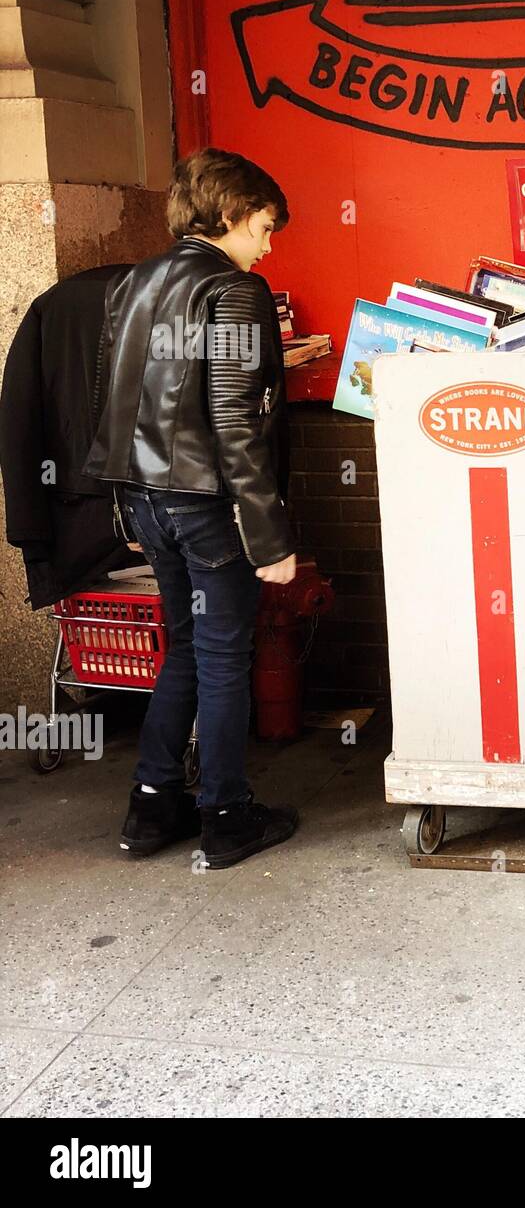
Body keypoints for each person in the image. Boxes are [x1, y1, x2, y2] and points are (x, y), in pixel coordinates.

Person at [83, 148, 300, 869]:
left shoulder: (133, 284)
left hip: (141, 498)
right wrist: (269, 538)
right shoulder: (234, 290)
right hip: (205, 505)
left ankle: (150, 806)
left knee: (182, 645)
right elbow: (234, 417)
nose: (268, 245)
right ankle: (228, 815)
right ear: (233, 216)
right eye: (265, 228)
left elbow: (118, 395)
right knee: (223, 655)